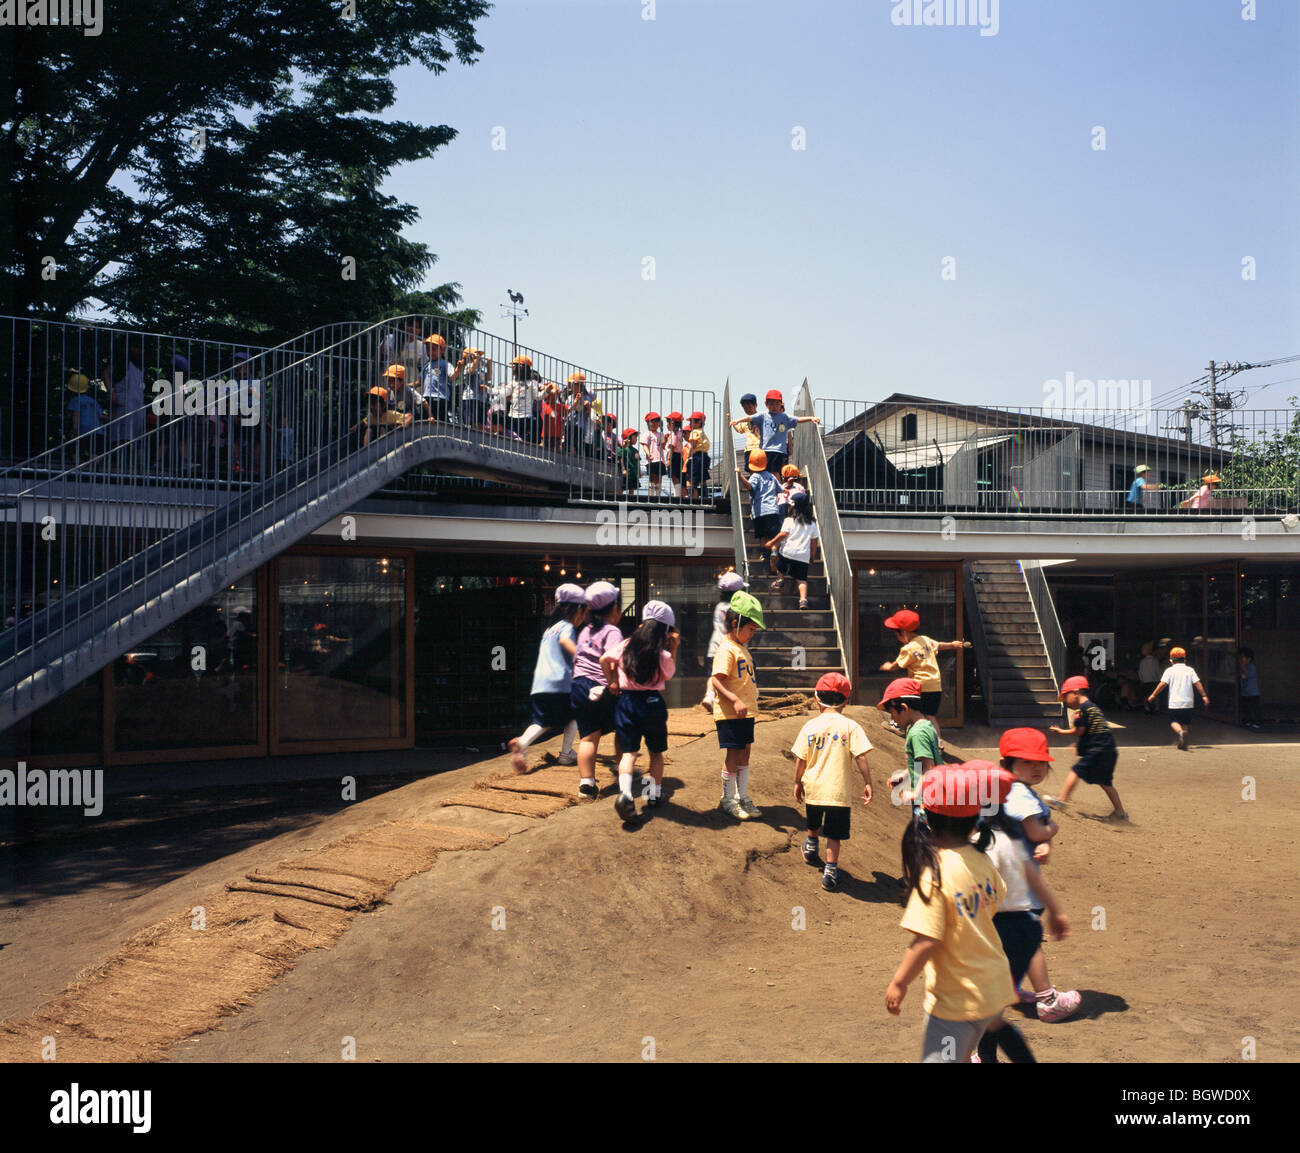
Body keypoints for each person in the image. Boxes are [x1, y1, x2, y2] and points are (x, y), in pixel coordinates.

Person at [885, 761, 1017, 1063]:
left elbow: (925, 942)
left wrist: (899, 983)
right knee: (965, 1050)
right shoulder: (982, 860)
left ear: (928, 818)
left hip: (957, 1001)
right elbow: (997, 899)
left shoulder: (935, 874)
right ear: (974, 819)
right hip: (993, 989)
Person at [979, 792, 1073, 1063]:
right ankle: (986, 1056)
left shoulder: (976, 845)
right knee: (991, 1010)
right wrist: (1056, 912)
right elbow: (1035, 879)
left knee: (990, 1011)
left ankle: (985, 1057)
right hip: (1019, 927)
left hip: (998, 929)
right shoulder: (1012, 842)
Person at [997, 727, 1080, 1022]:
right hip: (1020, 884)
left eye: (1041, 763)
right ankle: (1047, 999)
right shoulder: (1021, 795)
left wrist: (1044, 843)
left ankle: (1010, 990)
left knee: (1008, 941)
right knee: (1029, 941)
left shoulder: (1005, 789)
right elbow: (1034, 829)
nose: (1036, 768)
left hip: (1001, 882)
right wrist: (1051, 831)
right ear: (1009, 762)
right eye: (1027, 762)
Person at [793, 672, 872, 892]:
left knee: (813, 821)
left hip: (814, 788)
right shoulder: (851, 727)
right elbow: (861, 756)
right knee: (834, 834)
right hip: (839, 792)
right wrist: (868, 783)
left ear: (816, 698)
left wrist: (797, 782)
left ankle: (810, 846)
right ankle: (830, 871)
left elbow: (801, 758)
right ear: (846, 701)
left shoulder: (810, 726)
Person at [604, 600, 679, 822]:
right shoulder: (661, 654)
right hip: (652, 702)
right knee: (655, 752)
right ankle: (652, 795)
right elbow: (669, 674)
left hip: (626, 702)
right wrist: (673, 649)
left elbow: (604, 658)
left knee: (629, 753)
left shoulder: (627, 644)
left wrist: (613, 681)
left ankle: (626, 794)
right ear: (664, 630)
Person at [508, 584, 586, 773]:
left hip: (541, 684)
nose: (584, 618)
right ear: (576, 611)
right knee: (574, 717)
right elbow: (566, 643)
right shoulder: (567, 628)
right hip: (561, 683)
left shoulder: (549, 629)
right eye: (584, 612)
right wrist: (583, 656)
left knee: (542, 721)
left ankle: (523, 743)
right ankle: (566, 753)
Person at [877, 609, 969, 746]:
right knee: (930, 715)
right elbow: (939, 645)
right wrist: (952, 645)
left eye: (896, 634)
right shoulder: (925, 640)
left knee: (898, 700)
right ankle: (938, 743)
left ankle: (896, 725)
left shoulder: (908, 648)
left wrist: (888, 666)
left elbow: (897, 665)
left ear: (904, 632)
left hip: (918, 686)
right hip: (935, 686)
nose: (897, 638)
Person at [710, 590, 765, 820]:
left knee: (745, 754)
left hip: (746, 713)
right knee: (733, 754)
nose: (753, 633)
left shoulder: (743, 649)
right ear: (736, 623)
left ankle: (742, 796)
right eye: (750, 628)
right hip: (731, 713)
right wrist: (734, 699)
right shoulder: (727, 649)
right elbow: (716, 679)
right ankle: (728, 799)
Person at [571, 581, 624, 799]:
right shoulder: (612, 631)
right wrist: (615, 683)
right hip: (601, 686)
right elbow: (613, 660)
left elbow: (577, 658)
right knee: (622, 729)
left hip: (579, 685)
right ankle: (624, 773)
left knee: (588, 737)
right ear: (614, 609)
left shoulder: (585, 630)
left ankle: (587, 784)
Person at [1049, 675, 1127, 819]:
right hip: (1108, 750)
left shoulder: (1081, 710)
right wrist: (1080, 746)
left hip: (1097, 750)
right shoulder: (1094, 708)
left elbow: (1080, 731)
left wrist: (1061, 731)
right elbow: (1094, 732)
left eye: (1066, 696)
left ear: (1076, 692)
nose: (1066, 701)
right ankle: (1120, 813)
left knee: (1075, 770)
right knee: (1106, 782)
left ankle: (1061, 800)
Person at [877, 678, 940, 818]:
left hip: (926, 800)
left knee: (923, 837)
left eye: (892, 713)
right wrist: (905, 774)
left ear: (904, 708)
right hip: (931, 796)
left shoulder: (918, 733)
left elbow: (928, 767)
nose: (892, 719)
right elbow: (921, 762)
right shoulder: (926, 726)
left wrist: (915, 793)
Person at [1147, 645, 1209, 750]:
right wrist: (1204, 696)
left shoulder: (1169, 671)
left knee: (1173, 721)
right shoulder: (1190, 670)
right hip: (1188, 703)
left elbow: (1162, 684)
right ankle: (1183, 739)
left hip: (1174, 703)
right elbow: (1198, 683)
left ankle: (1180, 733)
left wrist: (1153, 695)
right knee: (1185, 722)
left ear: (1171, 660)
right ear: (1185, 660)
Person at [701, 572, 747, 711]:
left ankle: (709, 695)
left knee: (713, 675)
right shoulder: (735, 609)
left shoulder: (719, 606)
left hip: (714, 646)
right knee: (731, 675)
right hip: (729, 648)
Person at [766, 492, 819, 610]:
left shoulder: (789, 520)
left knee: (780, 564)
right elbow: (815, 542)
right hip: (803, 556)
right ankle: (803, 600)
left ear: (793, 507)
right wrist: (812, 556)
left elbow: (783, 534)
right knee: (802, 580)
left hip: (788, 553)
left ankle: (780, 580)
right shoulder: (812, 523)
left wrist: (772, 542)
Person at [736, 449, 783, 578]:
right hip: (773, 510)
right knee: (774, 537)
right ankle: (774, 553)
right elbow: (781, 489)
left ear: (751, 463)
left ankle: (766, 555)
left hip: (759, 512)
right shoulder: (771, 476)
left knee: (763, 537)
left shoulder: (755, 477)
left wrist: (740, 475)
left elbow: (749, 487)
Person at [420, 334, 452, 423]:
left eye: (433, 349)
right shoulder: (426, 366)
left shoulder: (444, 364)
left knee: (440, 420)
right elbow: (420, 381)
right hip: (427, 396)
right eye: (428, 349)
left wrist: (459, 368)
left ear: (442, 350)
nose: (430, 352)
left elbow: (452, 376)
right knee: (425, 420)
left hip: (440, 397)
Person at [729, 392, 763, 472]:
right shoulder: (745, 421)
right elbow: (739, 429)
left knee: (761, 470)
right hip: (749, 449)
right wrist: (731, 420)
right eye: (745, 408)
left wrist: (737, 421)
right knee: (751, 470)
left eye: (749, 406)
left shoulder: (760, 417)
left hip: (759, 448)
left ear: (755, 405)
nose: (747, 409)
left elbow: (752, 418)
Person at [683, 410, 710, 500]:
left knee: (693, 478)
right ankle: (705, 497)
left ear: (699, 422)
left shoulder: (694, 432)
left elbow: (693, 445)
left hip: (697, 456)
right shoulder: (702, 432)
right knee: (702, 478)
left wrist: (689, 456)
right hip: (705, 456)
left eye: (692, 421)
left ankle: (694, 498)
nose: (690, 423)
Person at [643, 411, 667, 498]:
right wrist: (648, 453)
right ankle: (651, 495)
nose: (654, 424)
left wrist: (666, 439)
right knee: (652, 477)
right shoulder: (646, 434)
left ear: (659, 424)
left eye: (656, 422)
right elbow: (644, 445)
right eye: (651, 422)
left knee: (659, 477)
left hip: (660, 459)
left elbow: (663, 446)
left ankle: (658, 496)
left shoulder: (661, 434)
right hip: (651, 459)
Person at [1238, 647, 1262, 730]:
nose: (1241, 660)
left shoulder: (1251, 667)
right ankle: (1248, 721)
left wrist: (1242, 665)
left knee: (1254, 708)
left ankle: (1257, 722)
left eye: (1242, 658)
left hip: (1253, 692)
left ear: (1249, 659)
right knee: (1246, 708)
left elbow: (1247, 674)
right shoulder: (1243, 667)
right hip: (1245, 692)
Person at [538, 383, 566, 451]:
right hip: (545, 434)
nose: (553, 397)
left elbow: (568, 410)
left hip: (556, 435)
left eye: (555, 395)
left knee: (556, 452)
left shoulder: (560, 406)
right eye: (551, 395)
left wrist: (575, 402)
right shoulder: (542, 405)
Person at [665, 411, 685, 497]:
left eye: (667, 422)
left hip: (673, 456)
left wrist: (669, 459)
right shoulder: (680, 433)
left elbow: (671, 448)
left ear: (672, 423)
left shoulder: (674, 434)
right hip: (679, 456)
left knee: (674, 477)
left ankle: (677, 495)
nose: (666, 425)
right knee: (678, 477)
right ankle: (678, 493)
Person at [1137, 640, 1161, 712]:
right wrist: (1160, 679)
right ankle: (1156, 707)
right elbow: (1158, 671)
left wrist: (1141, 679)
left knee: (1146, 695)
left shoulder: (1142, 661)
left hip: (1145, 681)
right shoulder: (1155, 661)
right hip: (1155, 681)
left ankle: (1147, 708)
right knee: (1156, 695)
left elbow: (1140, 672)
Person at [618, 427, 641, 495]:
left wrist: (639, 472)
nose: (636, 439)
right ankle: (620, 503)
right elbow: (620, 458)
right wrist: (623, 469)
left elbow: (638, 462)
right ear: (628, 438)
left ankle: (630, 503)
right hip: (626, 474)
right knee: (622, 488)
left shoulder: (635, 450)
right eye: (635, 437)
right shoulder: (623, 449)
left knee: (632, 489)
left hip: (634, 475)